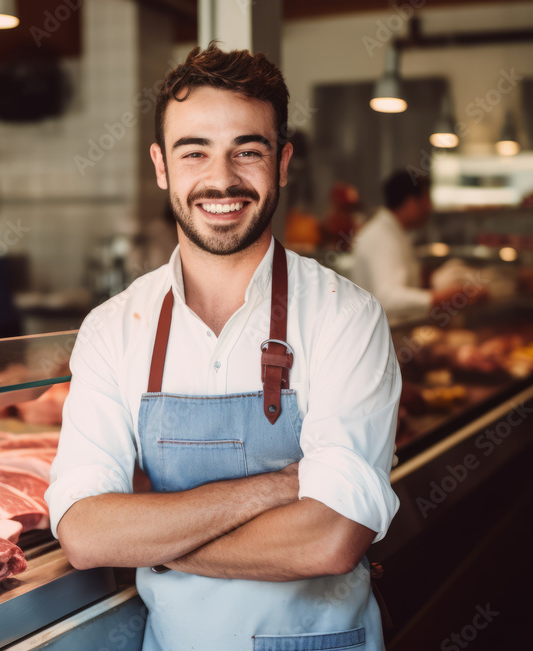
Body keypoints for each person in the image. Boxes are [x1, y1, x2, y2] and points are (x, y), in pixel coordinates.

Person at [47, 43, 400, 650]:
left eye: (249, 150)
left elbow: (331, 539)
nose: (221, 179)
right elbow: (84, 533)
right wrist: (278, 487)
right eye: (195, 152)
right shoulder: (112, 329)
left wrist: (151, 540)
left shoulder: (347, 317)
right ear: (161, 166)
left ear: (283, 163)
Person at [350, 171, 480, 324]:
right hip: (384, 336)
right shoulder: (382, 236)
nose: (429, 207)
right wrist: (438, 298)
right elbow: (387, 298)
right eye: (426, 199)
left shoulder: (392, 231)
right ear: (411, 202)